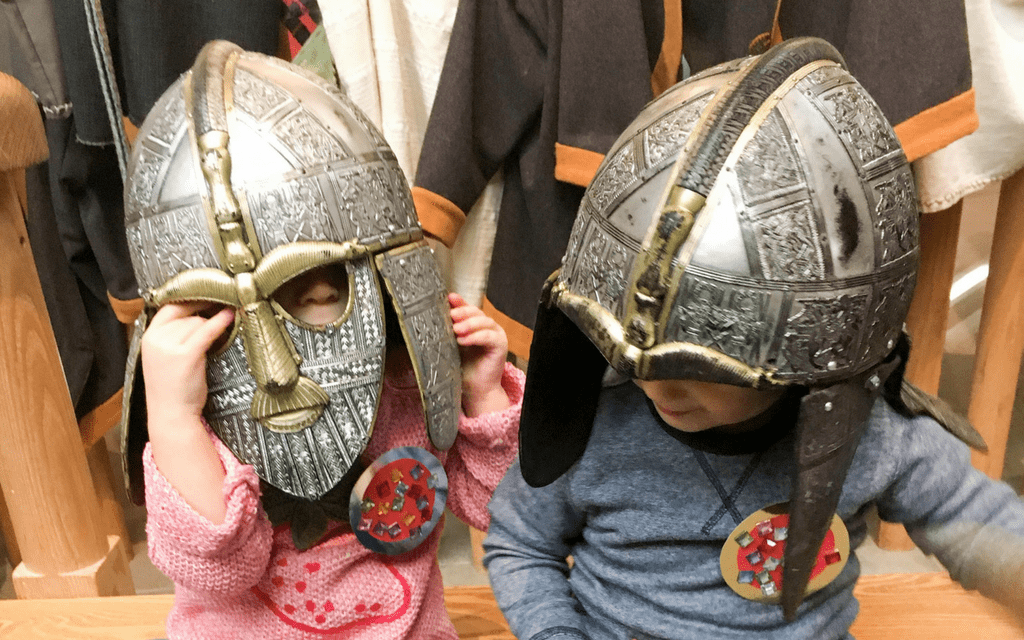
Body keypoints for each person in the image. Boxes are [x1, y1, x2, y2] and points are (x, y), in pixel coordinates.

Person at [483, 38, 1024, 640]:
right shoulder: (598, 426)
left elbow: (975, 523)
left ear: (819, 355)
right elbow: (519, 544)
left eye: (704, 365)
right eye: (635, 355)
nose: (655, 384)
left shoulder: (875, 438)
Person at [120, 41, 524, 639]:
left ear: (384, 283)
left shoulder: (407, 384)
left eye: (313, 298)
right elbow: (222, 571)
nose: (278, 367)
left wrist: (482, 394)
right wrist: (175, 420)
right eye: (219, 312)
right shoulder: (203, 414)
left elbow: (507, 511)